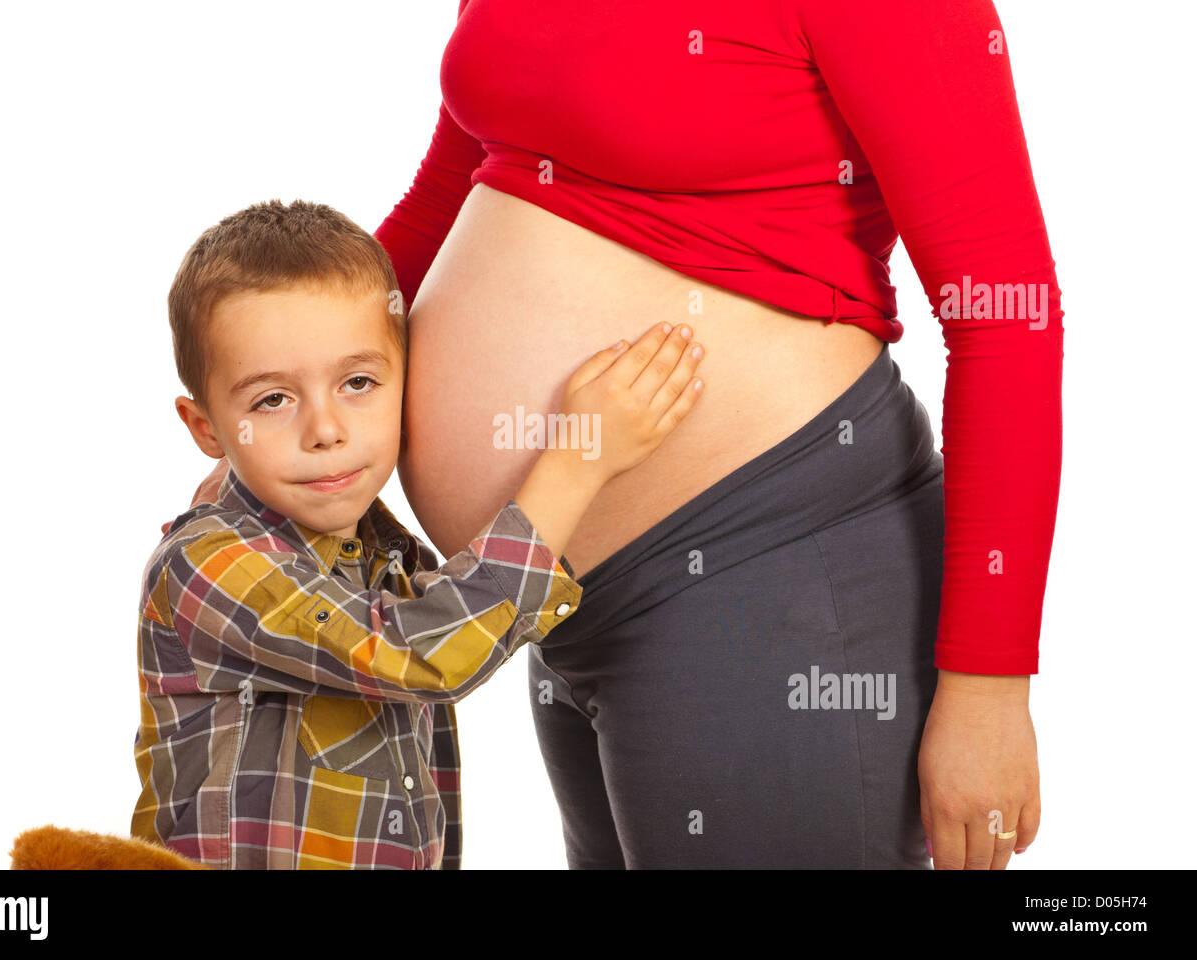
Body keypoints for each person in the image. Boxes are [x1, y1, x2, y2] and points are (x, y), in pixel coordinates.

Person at [366, 0, 1061, 869]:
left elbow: (1006, 318)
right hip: (544, 598)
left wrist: (988, 688)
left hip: (772, 571)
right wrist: (275, 405)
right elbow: (454, 191)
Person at [131, 198, 706, 868]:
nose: (325, 429)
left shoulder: (382, 559)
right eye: (272, 400)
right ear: (207, 429)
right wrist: (578, 462)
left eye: (357, 382)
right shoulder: (208, 564)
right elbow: (418, 652)